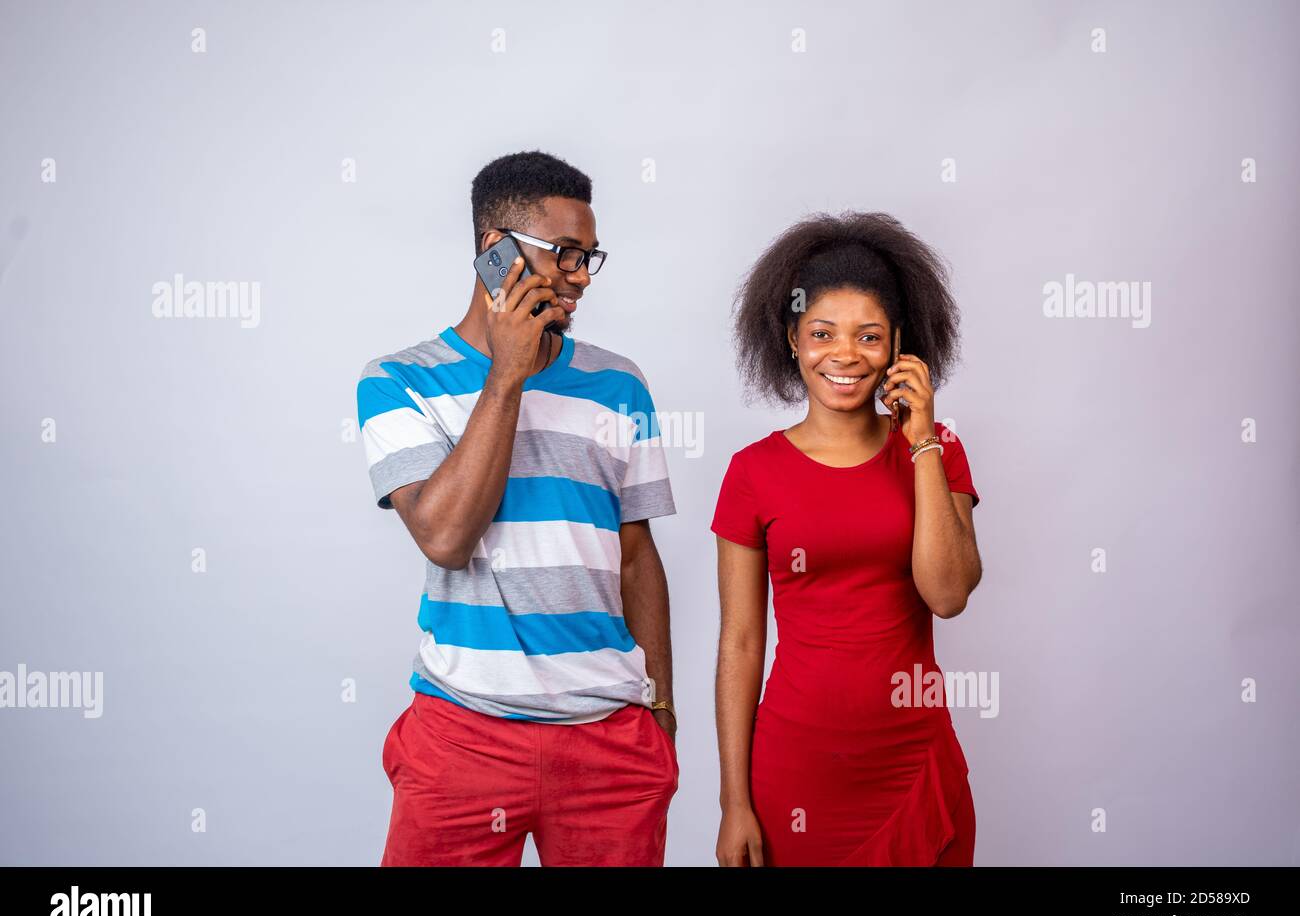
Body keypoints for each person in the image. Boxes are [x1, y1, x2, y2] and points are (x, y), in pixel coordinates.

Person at [357, 150, 678, 866]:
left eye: (588, 257)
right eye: (563, 253)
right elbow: (444, 535)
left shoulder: (619, 385)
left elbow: (635, 556)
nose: (579, 276)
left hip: (609, 740)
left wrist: (660, 713)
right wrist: (507, 373)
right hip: (463, 734)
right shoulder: (397, 381)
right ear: (492, 251)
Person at [711, 211, 982, 866]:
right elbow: (742, 643)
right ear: (792, 340)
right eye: (822, 333)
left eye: (869, 336)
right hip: (797, 772)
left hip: (911, 765)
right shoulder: (753, 473)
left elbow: (946, 595)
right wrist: (733, 802)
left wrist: (920, 439)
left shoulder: (938, 450)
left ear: (898, 347)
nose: (844, 354)